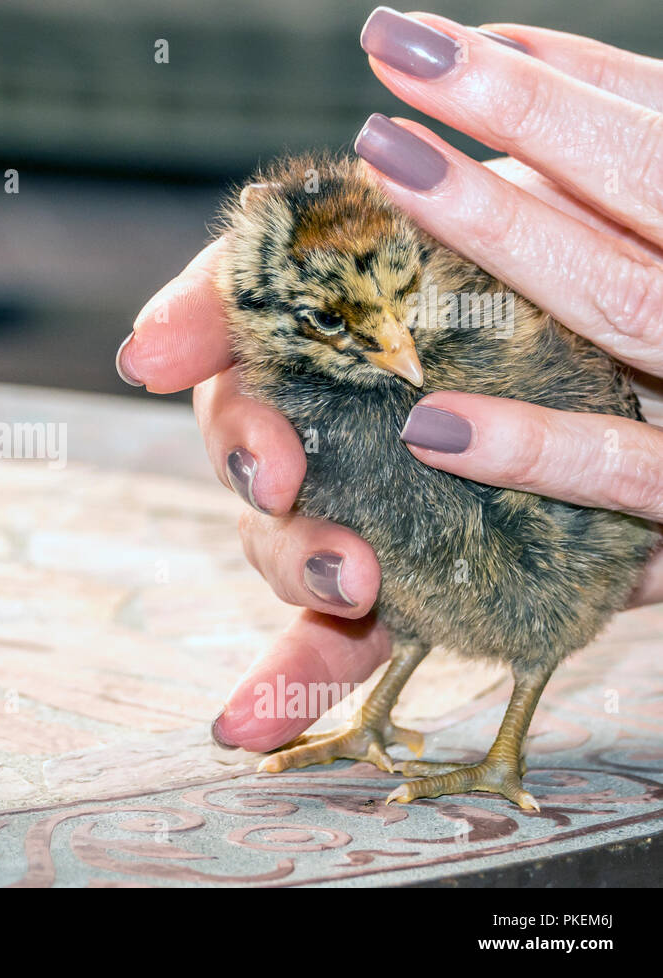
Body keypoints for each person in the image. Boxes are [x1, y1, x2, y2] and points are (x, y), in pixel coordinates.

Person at [115, 8, 663, 752]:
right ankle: (372, 715)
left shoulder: (496, 336)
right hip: (422, 566)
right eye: (338, 324)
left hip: (553, 567)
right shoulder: (294, 383)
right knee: (374, 576)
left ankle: (503, 756)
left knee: (525, 615)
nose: (397, 348)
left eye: (402, 300)